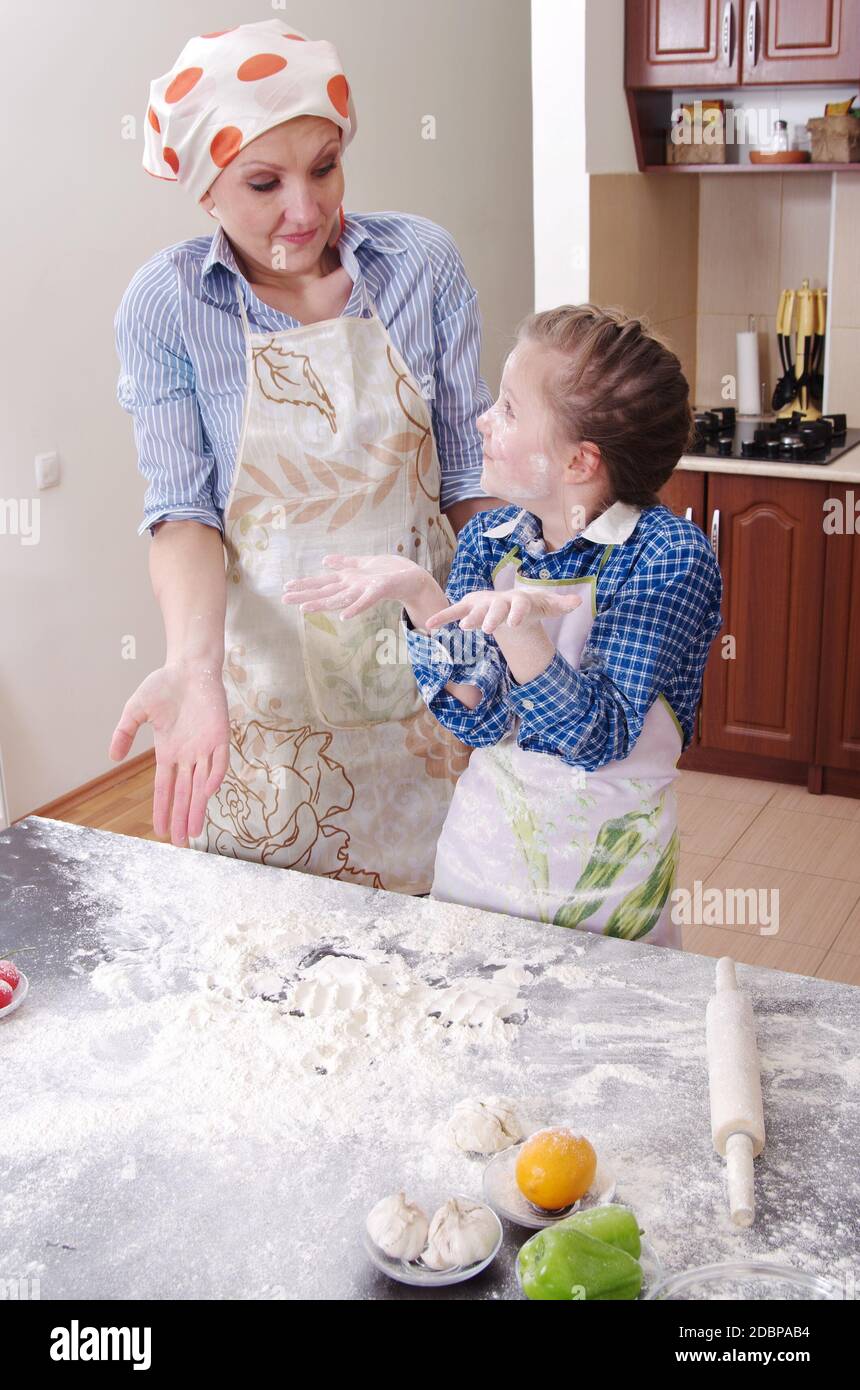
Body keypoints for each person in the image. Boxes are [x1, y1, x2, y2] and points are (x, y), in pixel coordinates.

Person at [110, 18, 501, 892]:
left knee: (450, 970)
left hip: (425, 688)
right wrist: (191, 671)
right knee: (277, 976)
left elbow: (470, 481)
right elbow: (184, 514)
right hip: (268, 712)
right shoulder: (168, 303)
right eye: (263, 182)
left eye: (324, 167)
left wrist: (501, 622)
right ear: (205, 189)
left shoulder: (419, 264)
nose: (306, 209)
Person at [283, 304, 724, 947]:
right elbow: (479, 720)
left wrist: (522, 633)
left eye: (510, 410)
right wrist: (421, 595)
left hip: (600, 886)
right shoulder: (491, 542)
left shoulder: (667, 556)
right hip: (482, 861)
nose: (482, 420)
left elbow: (595, 739)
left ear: (579, 463)